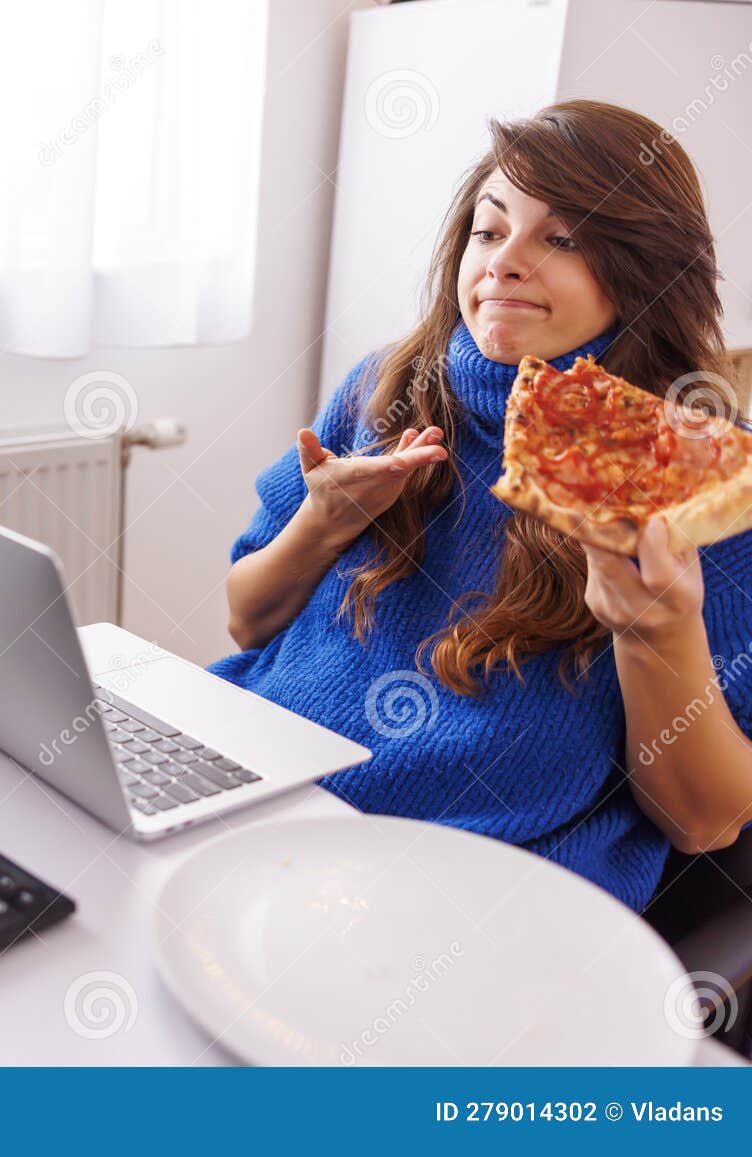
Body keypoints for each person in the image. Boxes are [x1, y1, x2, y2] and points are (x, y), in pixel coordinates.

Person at [212, 100, 752, 912]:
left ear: (646, 268)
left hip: (455, 897)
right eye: (489, 230)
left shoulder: (695, 477)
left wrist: (656, 630)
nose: (504, 262)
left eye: (562, 239)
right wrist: (322, 524)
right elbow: (246, 621)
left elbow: (705, 821)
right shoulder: (381, 386)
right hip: (251, 798)